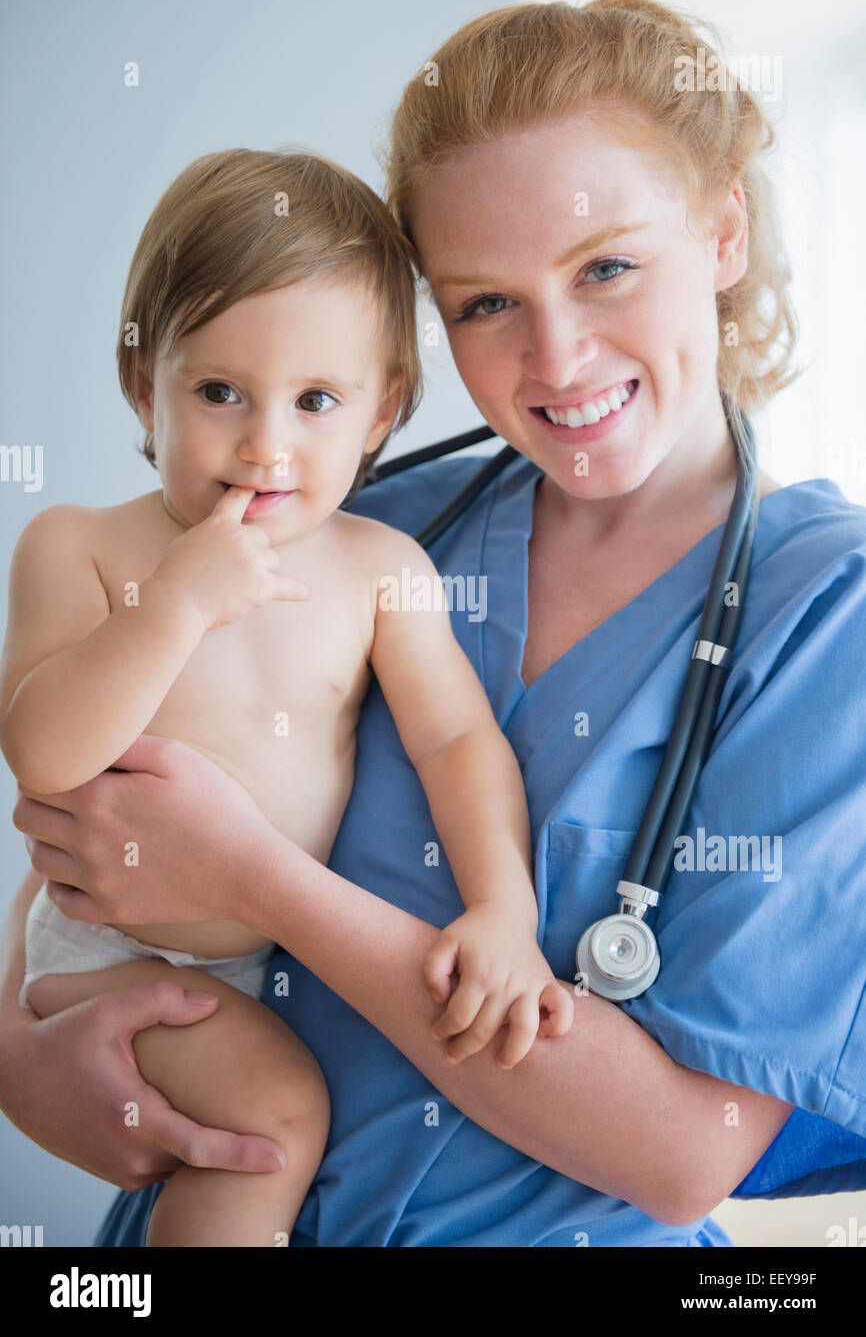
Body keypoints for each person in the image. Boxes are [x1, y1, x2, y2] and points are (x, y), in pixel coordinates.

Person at [3, 0, 866, 1248]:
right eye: (483, 303)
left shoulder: (824, 614)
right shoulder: (362, 525)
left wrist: (258, 880)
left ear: (722, 228)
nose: (558, 358)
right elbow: (78, 820)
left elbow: (682, 1158)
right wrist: (17, 1056)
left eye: (606, 268)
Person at [0, 146, 572, 1246]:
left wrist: (504, 908)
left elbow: (457, 740)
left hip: (266, 962)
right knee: (278, 1112)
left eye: (315, 400)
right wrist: (171, 605)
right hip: (112, 951)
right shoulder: (78, 545)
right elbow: (42, 750)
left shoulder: (380, 568)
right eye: (218, 392)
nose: (264, 445)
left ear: (380, 412)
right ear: (142, 383)